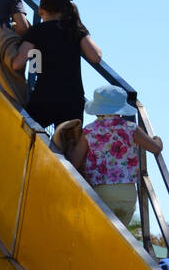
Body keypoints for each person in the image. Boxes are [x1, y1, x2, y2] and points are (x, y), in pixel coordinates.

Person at [8, 0, 102, 129]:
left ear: (40, 10)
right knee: (69, 145)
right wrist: (80, 28)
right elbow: (95, 57)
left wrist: (5, 42)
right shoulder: (75, 28)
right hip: (72, 97)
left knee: (27, 132)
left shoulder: (36, 31)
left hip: (45, 95)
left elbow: (17, 64)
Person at [69, 85, 163, 226]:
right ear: (121, 108)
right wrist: (157, 139)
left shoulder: (89, 131)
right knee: (121, 235)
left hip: (101, 191)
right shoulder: (131, 128)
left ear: (97, 109)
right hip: (127, 193)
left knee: (102, 233)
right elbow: (155, 148)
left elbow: (74, 162)